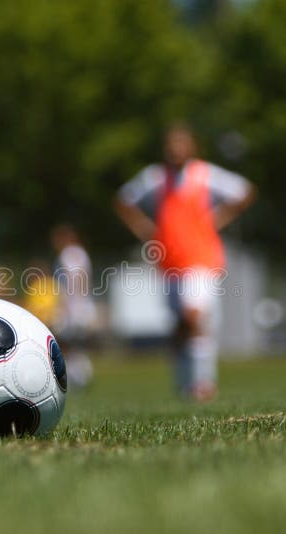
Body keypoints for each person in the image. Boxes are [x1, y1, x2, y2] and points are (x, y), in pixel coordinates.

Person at [114, 124, 256, 401]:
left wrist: (217, 219)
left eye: (181, 143)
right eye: (171, 143)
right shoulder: (155, 178)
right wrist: (145, 229)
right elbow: (123, 201)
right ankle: (183, 383)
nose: (175, 149)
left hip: (201, 258)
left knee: (195, 315)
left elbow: (245, 192)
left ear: (193, 146)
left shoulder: (205, 175)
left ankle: (203, 383)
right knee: (180, 325)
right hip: (170, 261)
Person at [50, 224, 98, 389]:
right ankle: (80, 373)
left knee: (68, 343)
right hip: (82, 304)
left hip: (73, 306)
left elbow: (73, 279)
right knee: (76, 344)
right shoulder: (81, 253)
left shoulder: (68, 254)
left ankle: (78, 375)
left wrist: (70, 305)